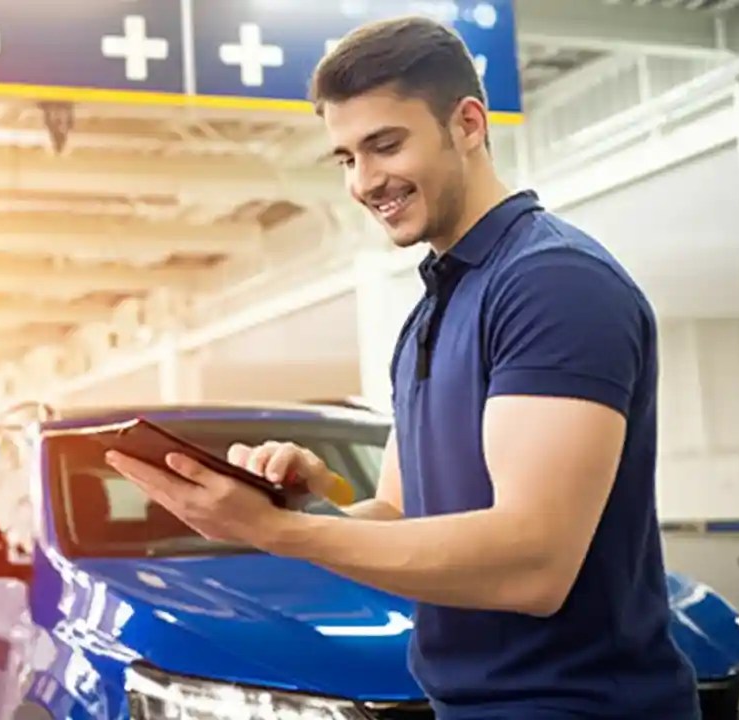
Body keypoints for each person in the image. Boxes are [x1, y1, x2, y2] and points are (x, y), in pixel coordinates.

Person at [104, 15, 700, 720]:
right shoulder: (433, 307)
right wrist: (301, 501)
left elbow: (534, 564)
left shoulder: (552, 284)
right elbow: (398, 513)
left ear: (469, 124)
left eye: (385, 145)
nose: (365, 182)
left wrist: (280, 535)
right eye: (346, 158)